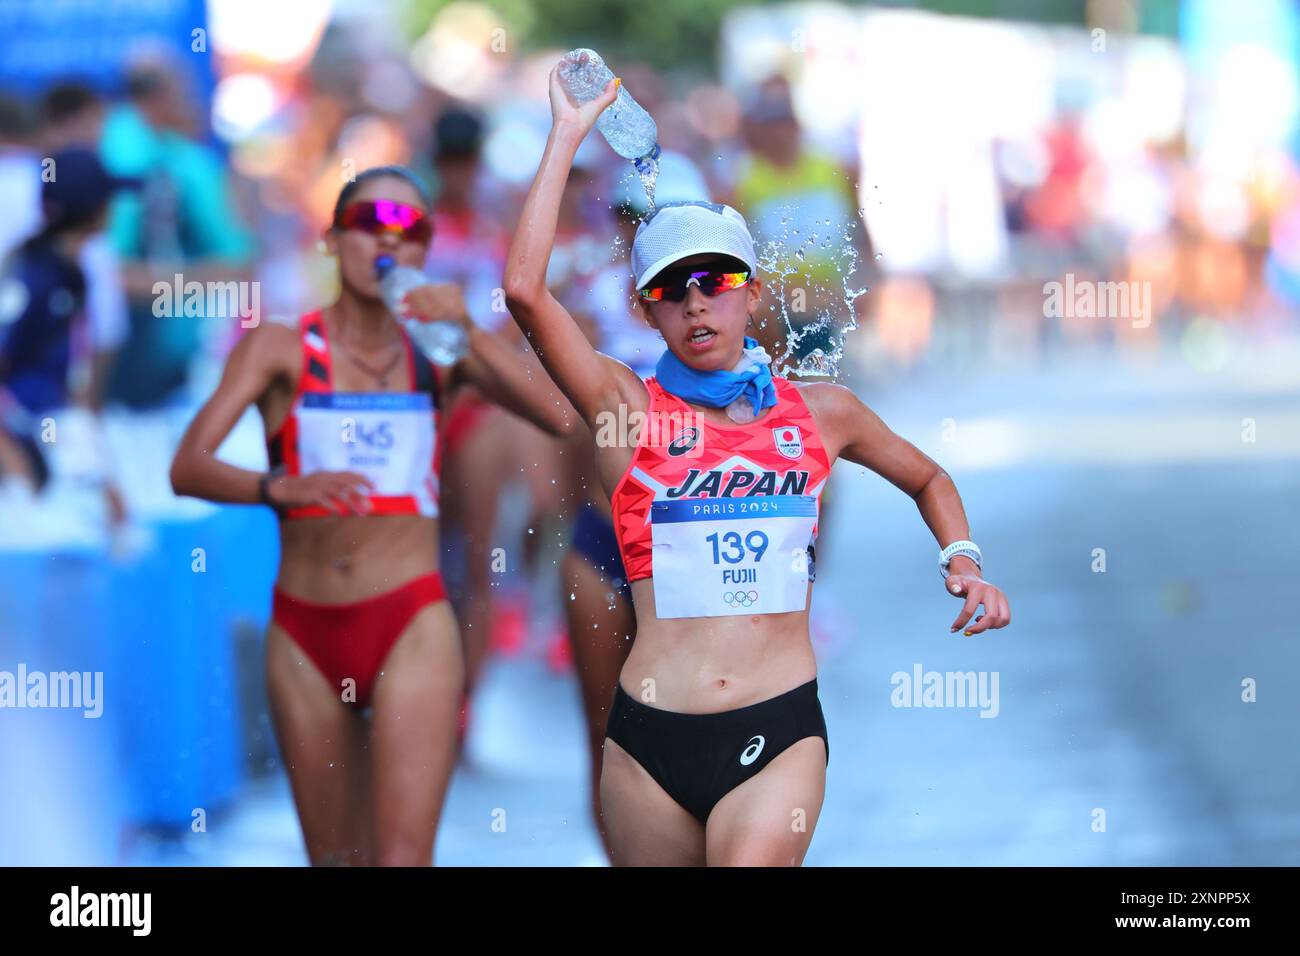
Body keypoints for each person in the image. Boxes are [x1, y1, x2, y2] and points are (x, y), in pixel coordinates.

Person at [503, 68, 1011, 866]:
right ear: (646, 309)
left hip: (775, 732)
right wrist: (567, 130)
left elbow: (928, 477)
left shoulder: (821, 410)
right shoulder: (624, 408)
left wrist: (964, 558)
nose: (697, 302)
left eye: (717, 281)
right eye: (672, 289)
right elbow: (525, 293)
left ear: (753, 290)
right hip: (646, 745)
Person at [169, 165, 576, 866]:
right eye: (369, 225)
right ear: (331, 240)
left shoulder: (440, 354)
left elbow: (562, 415)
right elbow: (188, 467)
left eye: (411, 230)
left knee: (400, 860)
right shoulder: (281, 347)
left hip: (410, 623)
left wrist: (470, 332)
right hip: (305, 629)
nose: (389, 243)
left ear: (425, 247)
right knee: (335, 859)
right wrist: (279, 487)